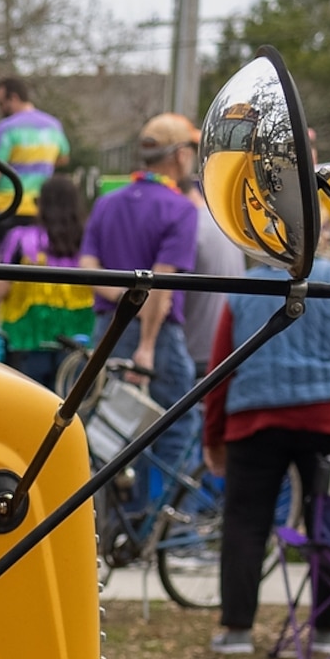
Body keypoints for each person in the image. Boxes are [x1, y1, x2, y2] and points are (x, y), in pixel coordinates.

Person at [201, 251, 330, 658]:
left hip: (253, 420)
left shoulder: (243, 290)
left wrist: (213, 435)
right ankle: (327, 630)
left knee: (245, 524)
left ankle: (237, 631)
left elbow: (221, 369)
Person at [78, 116, 204, 494]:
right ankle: (154, 520)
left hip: (107, 330)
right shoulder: (180, 209)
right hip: (156, 334)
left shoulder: (107, 202)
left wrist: (123, 295)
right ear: (180, 156)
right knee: (179, 422)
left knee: (108, 430)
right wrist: (146, 345)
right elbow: (161, 285)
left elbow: (87, 266)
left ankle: (104, 525)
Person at [0, 174, 93, 391]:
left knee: (30, 413)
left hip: (27, 342)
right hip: (79, 344)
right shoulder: (88, 240)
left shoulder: (20, 238)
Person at [0, 75, 68, 203]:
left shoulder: (6, 128)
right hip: (39, 205)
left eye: (0, 102)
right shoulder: (54, 125)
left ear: (13, 98)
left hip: (6, 205)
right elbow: (63, 158)